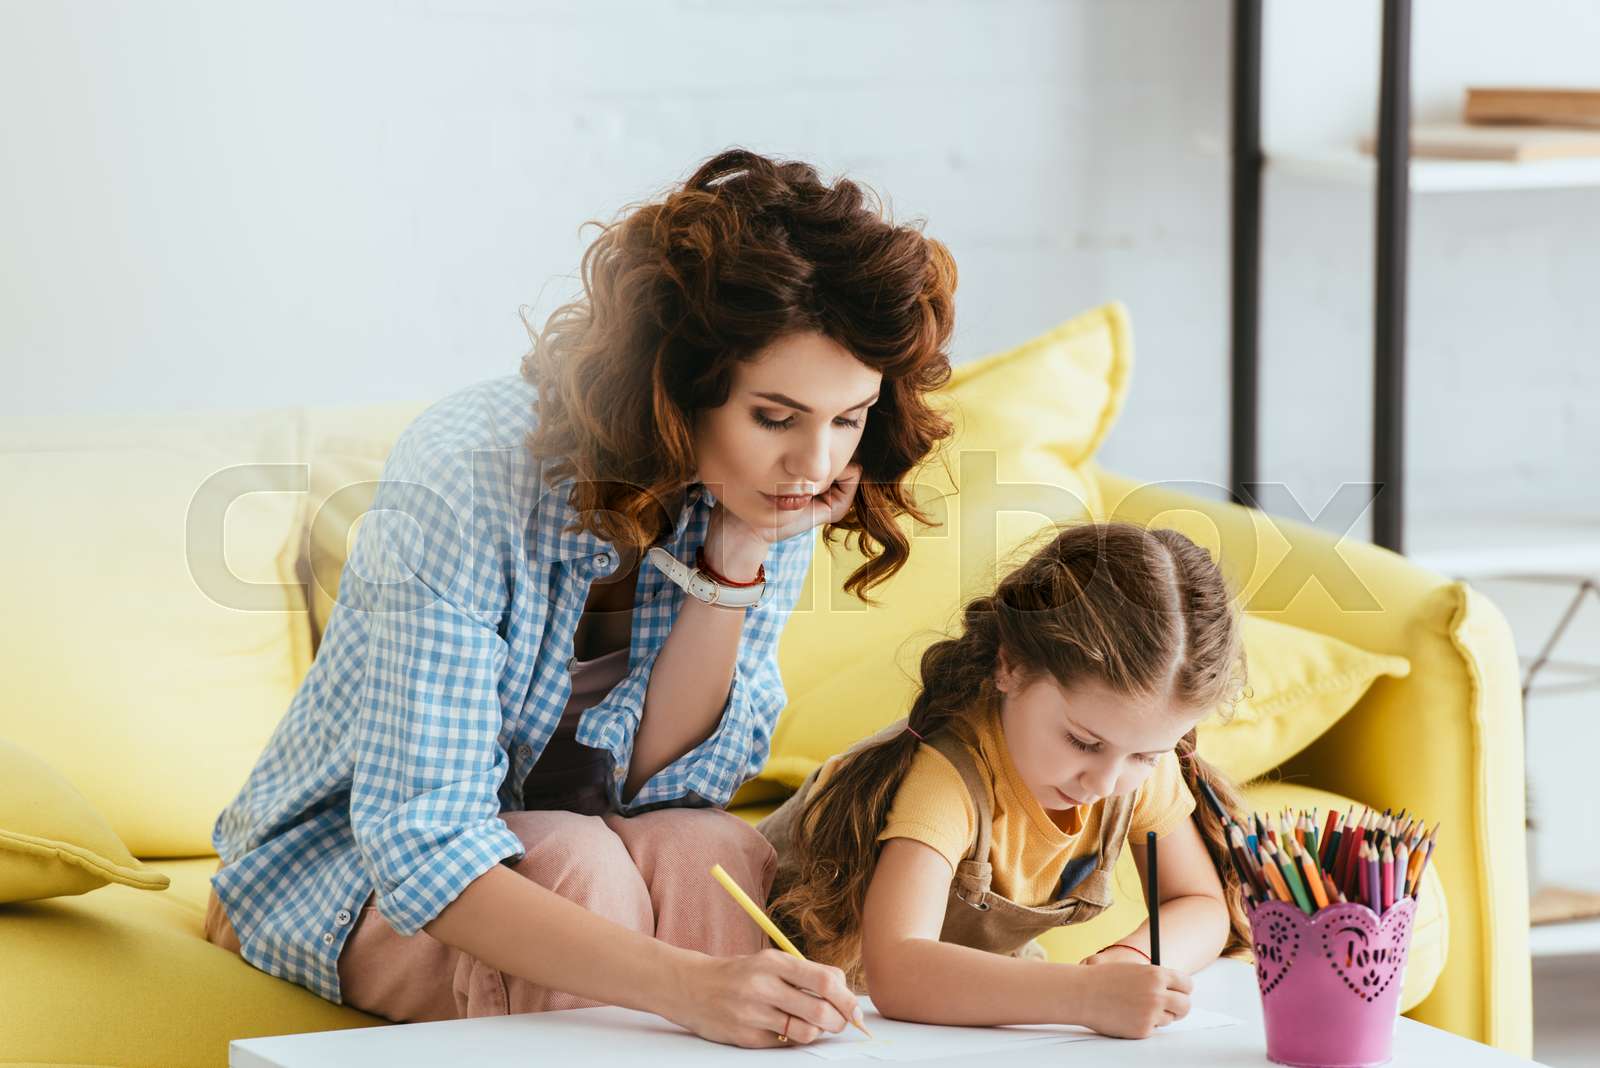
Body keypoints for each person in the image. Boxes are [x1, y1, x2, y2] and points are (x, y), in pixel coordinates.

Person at [203, 148, 958, 1049]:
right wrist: (688, 987)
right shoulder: (466, 472)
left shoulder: (770, 492)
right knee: (570, 862)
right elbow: (423, 842)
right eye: (775, 416)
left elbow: (668, 790)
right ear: (682, 384)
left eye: (849, 417)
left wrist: (739, 556)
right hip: (336, 869)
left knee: (709, 851)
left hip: (581, 844)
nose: (817, 465)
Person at [762, 521, 1254, 1040]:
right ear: (1011, 667)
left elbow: (1199, 904)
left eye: (1148, 755)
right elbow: (898, 970)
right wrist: (1084, 996)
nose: (1107, 781)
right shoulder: (947, 774)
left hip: (928, 1022)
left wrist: (1127, 961)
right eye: (1082, 742)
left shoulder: (1126, 764)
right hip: (775, 982)